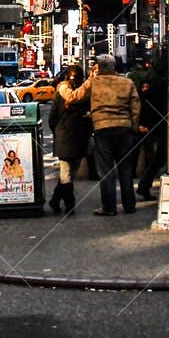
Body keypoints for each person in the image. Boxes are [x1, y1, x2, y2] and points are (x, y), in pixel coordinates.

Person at [58, 54, 140, 216]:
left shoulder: (94, 82)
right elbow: (136, 108)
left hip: (103, 128)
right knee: (125, 169)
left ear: (99, 68)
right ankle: (129, 205)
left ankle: (109, 207)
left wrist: (62, 87)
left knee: (106, 170)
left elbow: (73, 97)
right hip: (124, 129)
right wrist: (133, 127)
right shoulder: (127, 82)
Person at [47, 64, 90, 215]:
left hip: (64, 137)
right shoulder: (84, 94)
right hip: (79, 137)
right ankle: (69, 204)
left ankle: (57, 201)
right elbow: (88, 117)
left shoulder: (60, 93)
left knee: (66, 173)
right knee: (69, 172)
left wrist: (57, 132)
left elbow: (52, 118)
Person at [134, 60, 168, 200]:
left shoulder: (153, 84)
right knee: (160, 158)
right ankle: (144, 185)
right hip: (164, 125)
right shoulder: (164, 85)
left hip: (157, 125)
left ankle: (144, 185)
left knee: (158, 158)